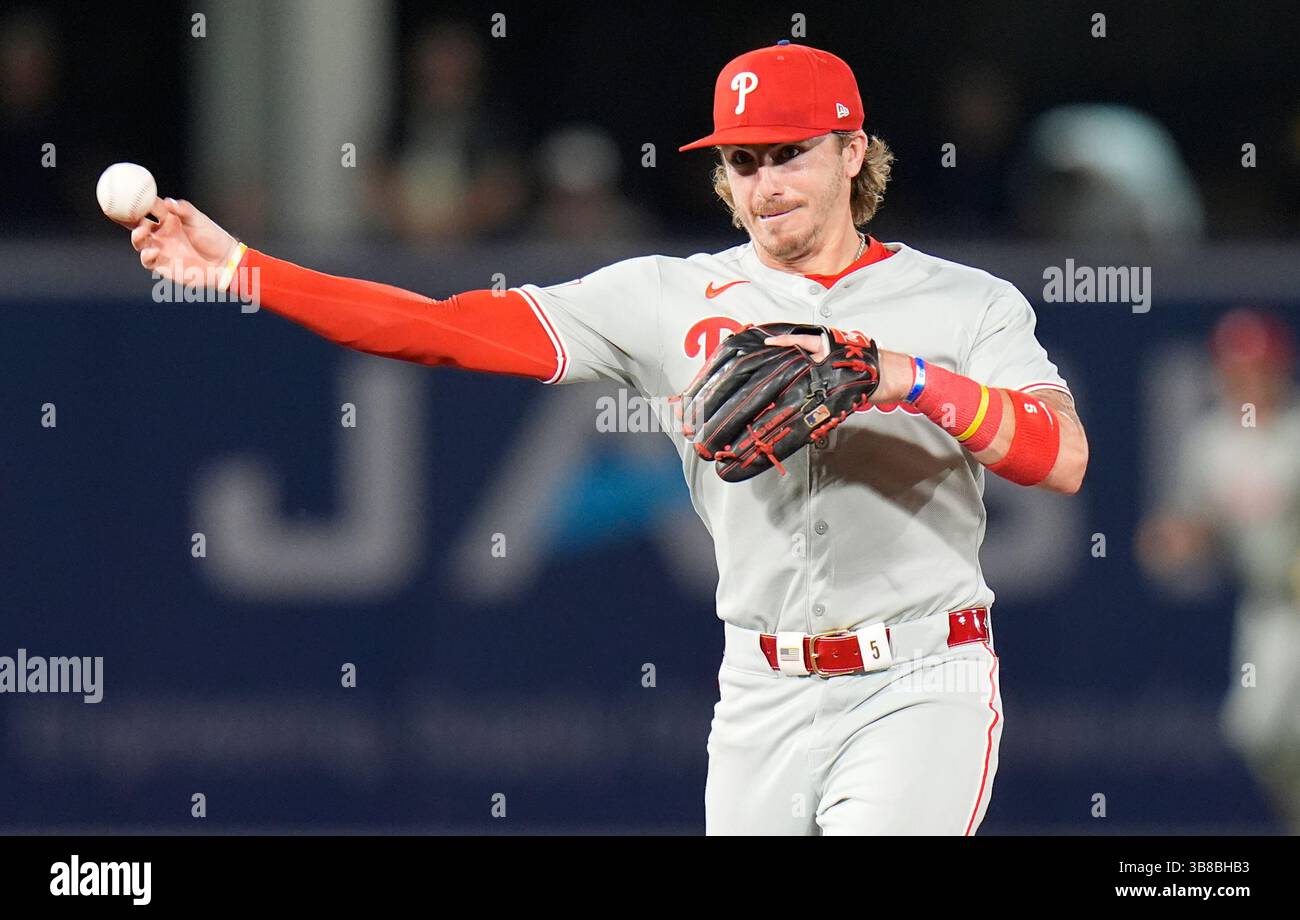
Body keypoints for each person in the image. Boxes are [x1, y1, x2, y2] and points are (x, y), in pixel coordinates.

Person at [119, 41, 1088, 835]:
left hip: (920, 677)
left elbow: (1059, 454)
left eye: (788, 151)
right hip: (760, 686)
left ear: (851, 151)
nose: (763, 182)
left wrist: (903, 377)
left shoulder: (960, 301)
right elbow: (441, 327)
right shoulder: (662, 297)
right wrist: (247, 267)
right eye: (741, 160)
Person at [1137, 308, 1300, 833]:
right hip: (1271, 607)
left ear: (1278, 370)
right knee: (1259, 733)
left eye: (1256, 368)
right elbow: (1203, 524)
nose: (1245, 380)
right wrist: (1180, 539)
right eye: (1235, 369)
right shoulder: (1212, 442)